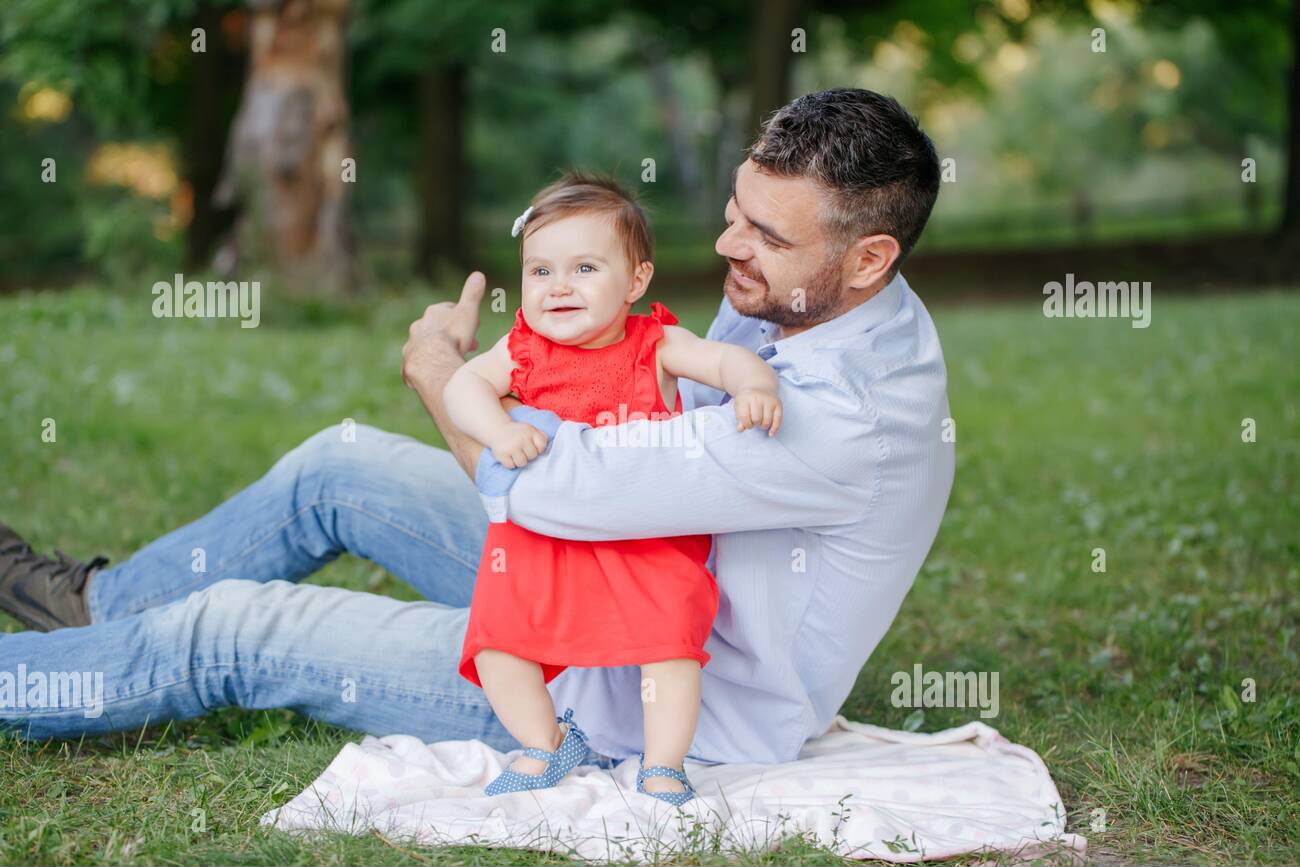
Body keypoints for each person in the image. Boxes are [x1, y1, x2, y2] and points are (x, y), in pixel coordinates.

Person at [0, 88, 954, 781]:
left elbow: (543, 487)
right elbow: (625, 435)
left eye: (765, 238)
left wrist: (441, 379)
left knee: (238, 631)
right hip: (617, 559)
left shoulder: (843, 421)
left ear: (870, 256)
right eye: (734, 214)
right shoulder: (814, 293)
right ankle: (102, 609)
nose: (727, 249)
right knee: (336, 464)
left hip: (633, 690)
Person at [444, 172, 781, 802]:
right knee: (497, 644)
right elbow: (462, 385)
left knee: (668, 647)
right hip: (540, 543)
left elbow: (723, 360)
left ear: (636, 281)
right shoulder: (521, 348)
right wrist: (495, 428)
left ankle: (663, 764)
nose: (558, 286)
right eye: (539, 271)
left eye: (584, 268)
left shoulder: (653, 344)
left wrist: (754, 386)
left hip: (643, 540)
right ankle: (547, 744)